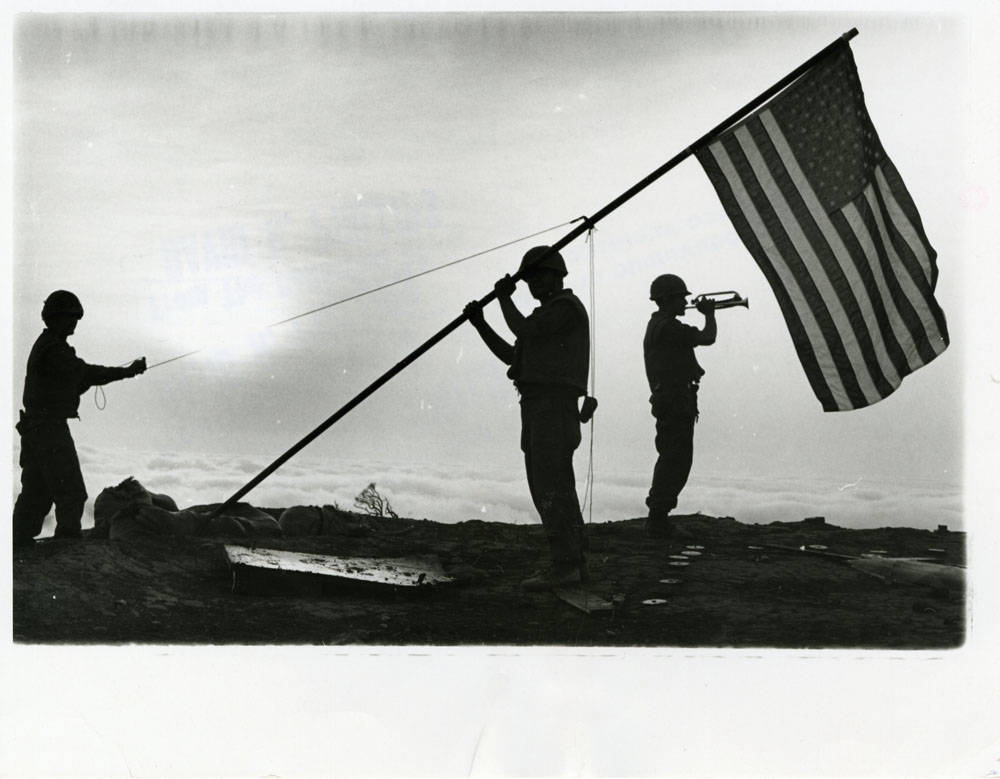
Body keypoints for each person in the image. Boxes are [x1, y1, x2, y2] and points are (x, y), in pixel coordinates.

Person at [464, 246, 590, 590]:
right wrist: (480, 324)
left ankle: (566, 566)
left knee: (551, 487)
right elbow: (512, 356)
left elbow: (522, 330)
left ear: (555, 276)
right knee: (551, 485)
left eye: (537, 277)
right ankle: (571, 559)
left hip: (553, 409)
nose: (533, 284)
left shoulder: (564, 309)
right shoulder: (546, 316)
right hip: (539, 409)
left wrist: (504, 298)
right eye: (529, 279)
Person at [13, 290, 146, 548]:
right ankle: (67, 547)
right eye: (70, 317)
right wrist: (128, 372)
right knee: (71, 492)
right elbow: (84, 373)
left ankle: (17, 543)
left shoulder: (49, 347)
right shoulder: (53, 349)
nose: (74, 323)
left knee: (36, 493)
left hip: (35, 430)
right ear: (56, 317)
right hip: (48, 428)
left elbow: (73, 380)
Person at [643, 274, 716, 538]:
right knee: (676, 458)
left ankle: (658, 517)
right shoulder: (669, 327)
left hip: (673, 399)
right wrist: (710, 314)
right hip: (674, 400)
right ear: (666, 300)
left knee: (673, 457)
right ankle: (658, 519)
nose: (685, 302)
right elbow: (709, 337)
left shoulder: (661, 325)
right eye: (680, 298)